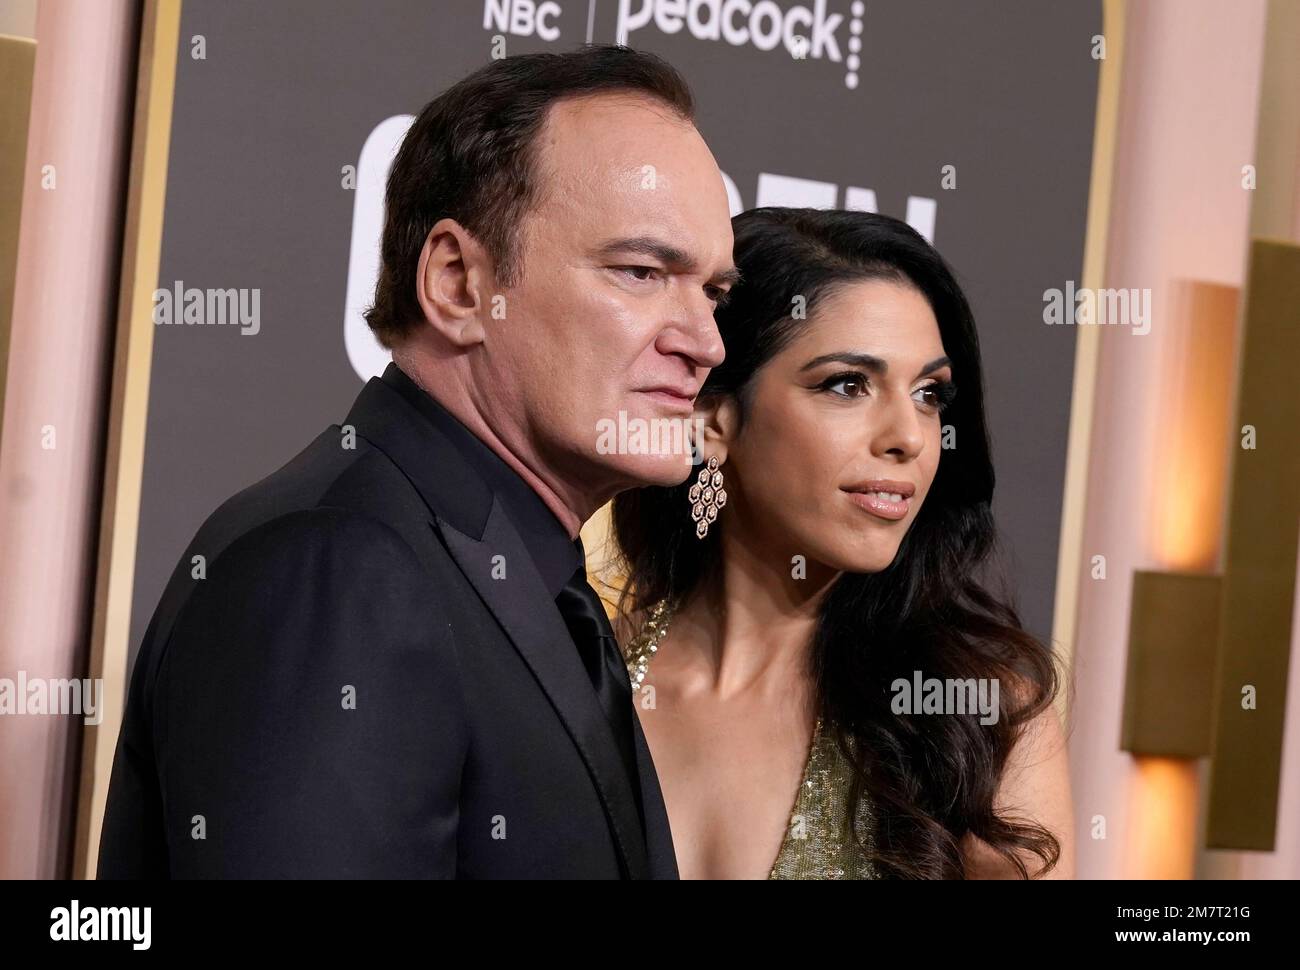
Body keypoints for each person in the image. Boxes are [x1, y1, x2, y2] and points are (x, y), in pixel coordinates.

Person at [98, 45, 737, 879]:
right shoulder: (337, 571)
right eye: (643, 272)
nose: (705, 343)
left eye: (714, 292)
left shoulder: (527, 572)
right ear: (457, 284)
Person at [612, 208, 1075, 879]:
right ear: (714, 423)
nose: (909, 437)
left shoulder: (973, 715)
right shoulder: (593, 672)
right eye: (847, 385)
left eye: (928, 394)